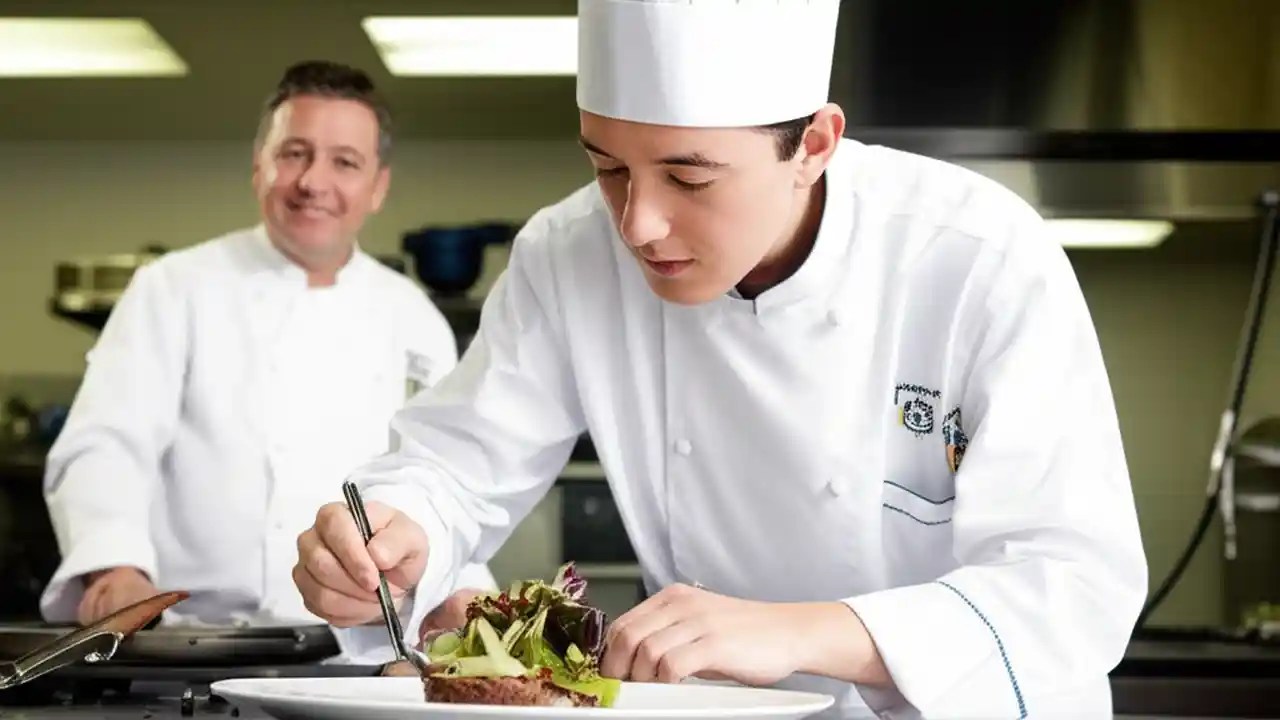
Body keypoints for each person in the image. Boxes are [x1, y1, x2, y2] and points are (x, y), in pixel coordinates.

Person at [293, 1, 1148, 716]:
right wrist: (397, 534)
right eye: (608, 167)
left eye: (690, 179)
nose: (638, 225)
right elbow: (456, 467)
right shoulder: (568, 252)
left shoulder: (978, 255)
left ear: (814, 145)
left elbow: (1072, 589)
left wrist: (796, 630)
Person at [40, 60, 496, 648]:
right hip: (189, 644)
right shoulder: (174, 287)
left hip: (361, 653)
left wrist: (459, 589)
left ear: (378, 186)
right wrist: (115, 567)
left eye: (345, 162)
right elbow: (106, 446)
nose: (313, 181)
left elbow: (443, 479)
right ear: (259, 165)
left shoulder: (414, 318)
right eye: (294, 153)